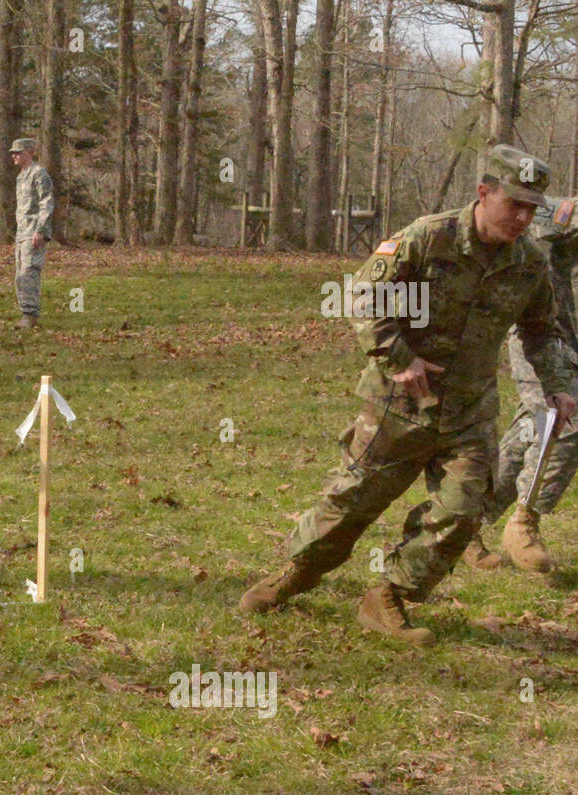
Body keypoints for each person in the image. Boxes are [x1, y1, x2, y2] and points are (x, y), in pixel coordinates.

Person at [239, 145, 576, 646]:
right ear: (484, 192)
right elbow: (362, 293)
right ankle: (299, 571)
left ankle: (389, 596)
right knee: (352, 503)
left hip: (469, 411)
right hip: (400, 408)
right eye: (515, 204)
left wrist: (559, 386)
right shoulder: (428, 238)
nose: (524, 218)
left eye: (533, 208)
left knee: (461, 513)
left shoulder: (529, 263)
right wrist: (399, 358)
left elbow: (540, 331)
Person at [465, 194, 578, 572]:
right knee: (564, 422)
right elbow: (533, 232)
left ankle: (467, 523)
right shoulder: (561, 214)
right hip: (544, 334)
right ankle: (525, 521)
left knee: (530, 430)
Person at [9, 137, 54, 329]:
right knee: (20, 273)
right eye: (13, 153)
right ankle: (25, 312)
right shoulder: (21, 176)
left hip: (34, 231)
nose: (14, 156)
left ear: (30, 152)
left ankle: (30, 314)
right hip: (22, 232)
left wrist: (40, 230)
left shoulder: (39, 174)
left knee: (29, 271)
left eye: (18, 152)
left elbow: (46, 202)